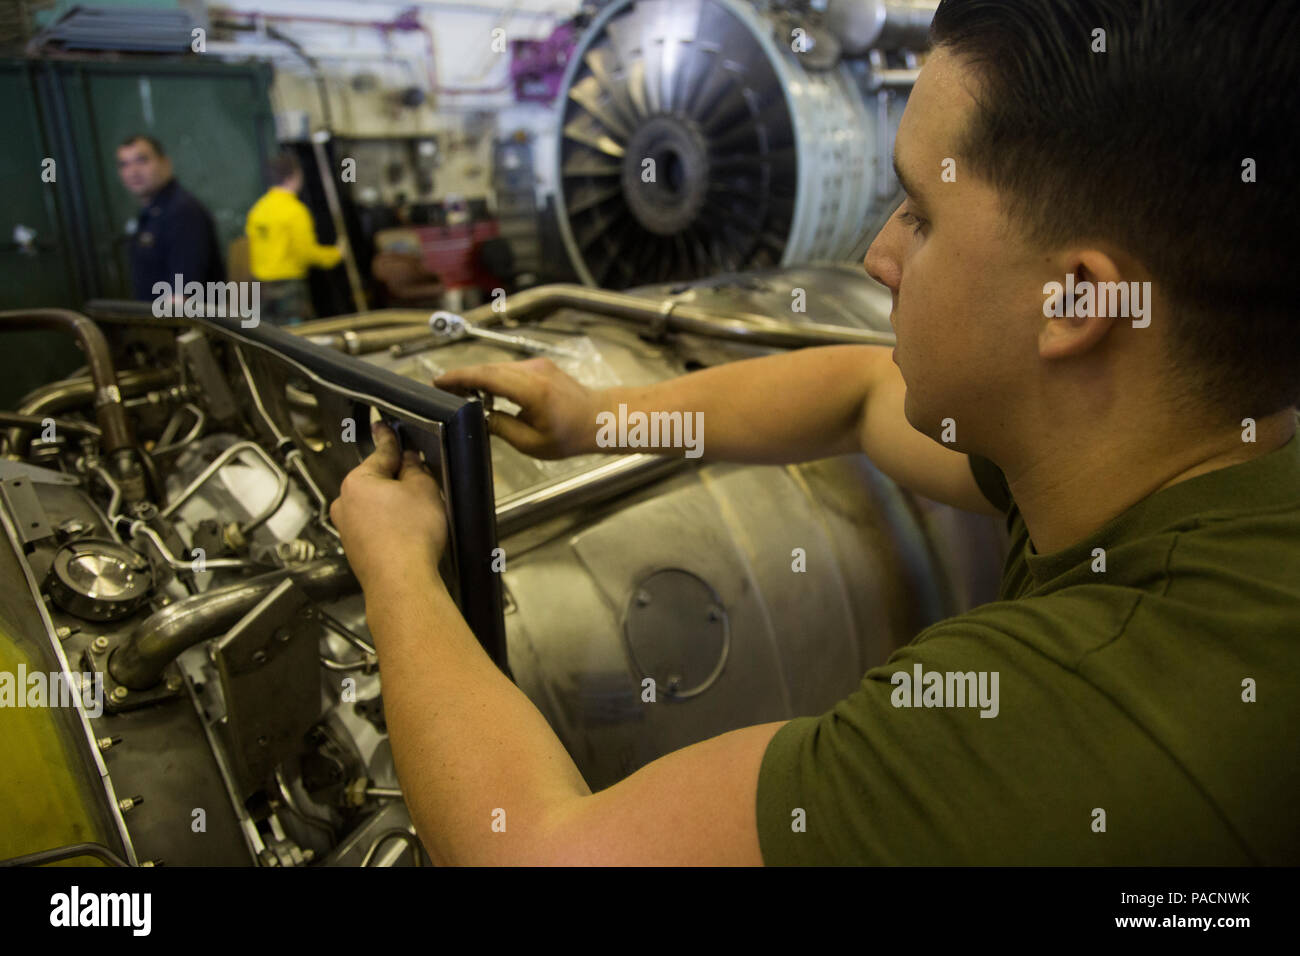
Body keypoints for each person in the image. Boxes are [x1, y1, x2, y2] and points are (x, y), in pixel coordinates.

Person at [329, 0, 1300, 865]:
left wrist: (399, 571)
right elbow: (857, 390)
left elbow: (541, 850)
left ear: (1073, 300)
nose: (878, 254)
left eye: (920, 213)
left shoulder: (1068, 727)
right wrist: (597, 415)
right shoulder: (1181, 454)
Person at [117, 134, 224, 301]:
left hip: (184, 324)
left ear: (165, 163)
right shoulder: (149, 214)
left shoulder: (182, 212)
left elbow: (182, 296)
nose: (133, 171)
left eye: (142, 160)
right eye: (124, 164)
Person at [245, 151, 344, 325]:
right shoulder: (295, 211)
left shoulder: (258, 209)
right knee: (297, 337)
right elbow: (307, 253)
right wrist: (336, 254)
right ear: (294, 176)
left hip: (260, 285)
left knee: (269, 334)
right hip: (288, 287)